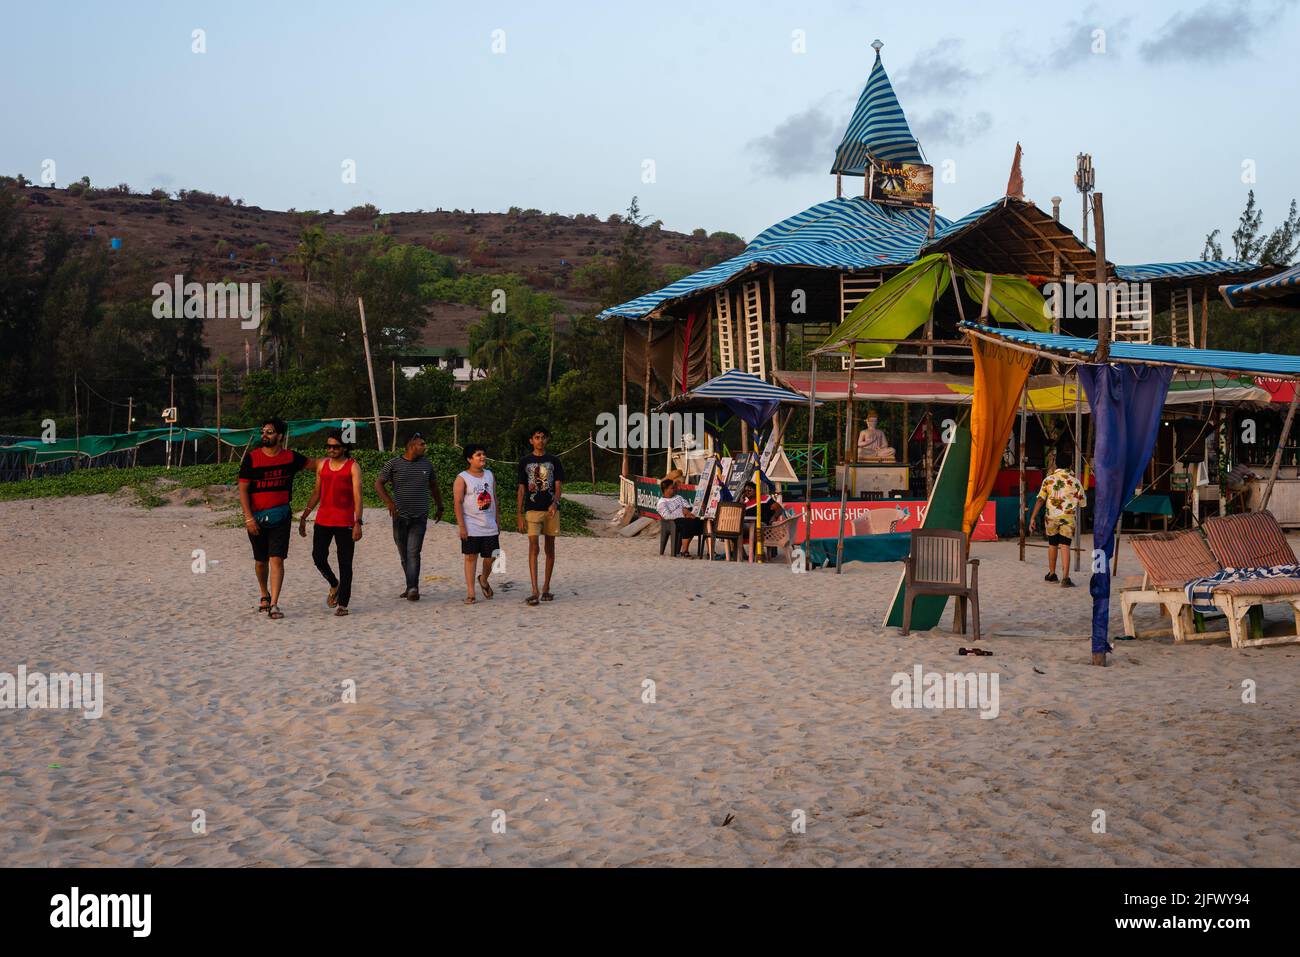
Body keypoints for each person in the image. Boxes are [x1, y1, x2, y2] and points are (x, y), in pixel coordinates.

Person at [238, 417, 316, 620]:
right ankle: (264, 594)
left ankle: (274, 604)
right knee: (260, 561)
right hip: (255, 517)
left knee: (277, 559)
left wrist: (339, 460)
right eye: (263, 431)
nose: (265, 435)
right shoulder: (252, 458)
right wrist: (248, 518)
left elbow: (316, 465)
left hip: (281, 516)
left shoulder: (291, 458)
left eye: (269, 432)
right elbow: (243, 490)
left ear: (280, 436)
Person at [299, 429, 363, 616]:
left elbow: (358, 496)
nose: (331, 449)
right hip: (323, 520)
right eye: (328, 446)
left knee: (345, 562)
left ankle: (343, 603)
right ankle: (334, 584)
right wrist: (304, 517)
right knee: (318, 557)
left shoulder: (352, 466)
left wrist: (358, 522)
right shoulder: (322, 465)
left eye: (335, 446)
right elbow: (317, 492)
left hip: (345, 521)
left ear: (344, 447)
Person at [375, 432, 444, 602]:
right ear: (411, 445)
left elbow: (433, 486)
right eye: (422, 444)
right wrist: (389, 502)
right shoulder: (394, 463)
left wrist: (440, 505)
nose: (424, 446)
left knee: (413, 552)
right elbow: (378, 483)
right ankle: (410, 586)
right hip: (400, 517)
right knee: (404, 554)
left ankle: (413, 588)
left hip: (420, 516)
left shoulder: (427, 465)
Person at [517, 426, 565, 606]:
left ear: (547, 440)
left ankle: (546, 587)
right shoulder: (525, 461)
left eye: (543, 437)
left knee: (550, 548)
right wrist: (519, 513)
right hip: (532, 509)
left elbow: (559, 485)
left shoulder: (554, 461)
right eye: (537, 437)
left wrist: (555, 503)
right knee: (533, 546)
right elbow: (521, 487)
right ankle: (534, 589)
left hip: (551, 509)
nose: (540, 440)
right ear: (531, 440)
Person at [1029, 442, 1086, 588]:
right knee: (1065, 545)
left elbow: (1040, 499)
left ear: (1056, 464)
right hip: (1067, 517)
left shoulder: (1048, 480)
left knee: (1052, 543)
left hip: (1051, 517)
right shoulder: (1075, 481)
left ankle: (1052, 573)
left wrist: (1033, 517)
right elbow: (1083, 503)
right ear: (1070, 465)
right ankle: (1066, 578)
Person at [454, 444, 498, 604]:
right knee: (471, 557)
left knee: (493, 556)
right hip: (471, 524)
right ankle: (471, 593)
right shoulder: (462, 478)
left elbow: (494, 498)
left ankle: (484, 579)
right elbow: (458, 502)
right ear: (469, 459)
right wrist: (462, 527)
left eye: (483, 454)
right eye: (478, 455)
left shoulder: (489, 475)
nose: (482, 457)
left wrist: (497, 520)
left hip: (490, 524)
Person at [657, 478, 704, 557]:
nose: (674, 489)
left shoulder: (678, 497)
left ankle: (709, 551)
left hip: (685, 518)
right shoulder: (662, 503)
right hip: (672, 522)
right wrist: (683, 514)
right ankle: (684, 550)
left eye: (674, 487)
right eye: (672, 488)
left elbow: (688, 506)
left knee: (699, 522)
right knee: (687, 523)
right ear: (665, 490)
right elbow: (666, 516)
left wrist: (687, 510)